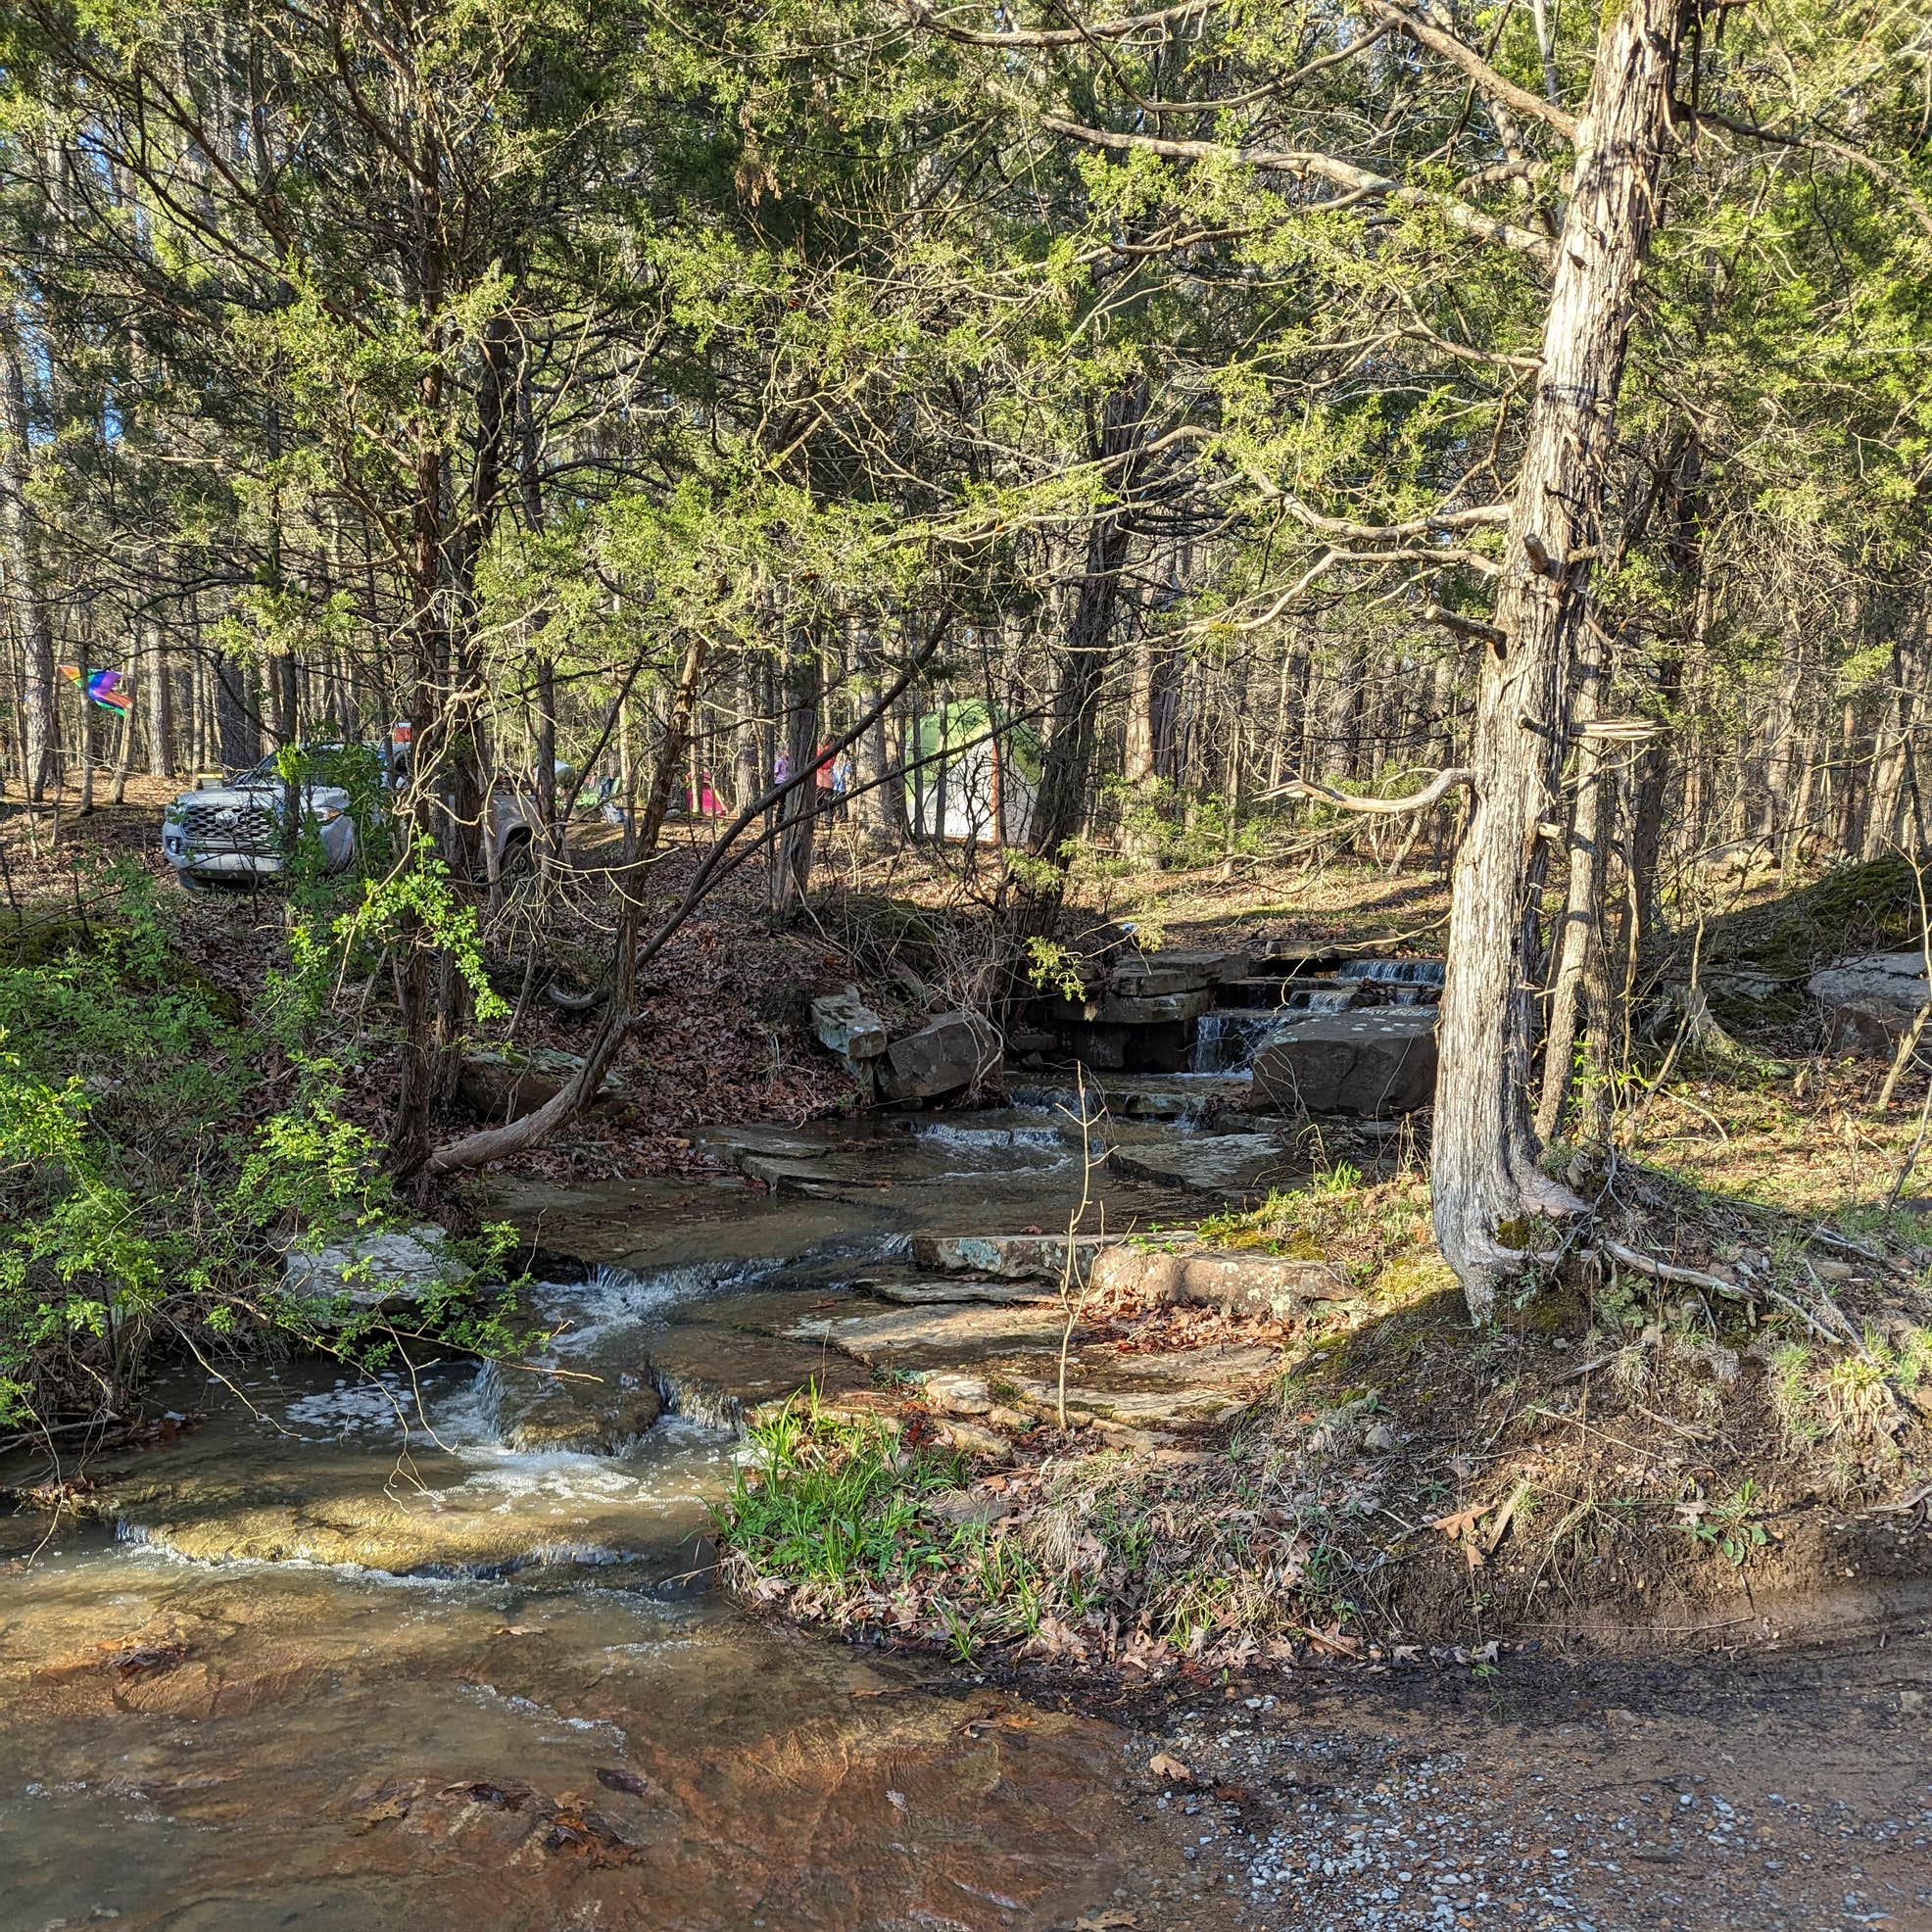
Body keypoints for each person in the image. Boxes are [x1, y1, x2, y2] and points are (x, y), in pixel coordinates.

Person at [831, 749, 853, 824]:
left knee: (840, 801)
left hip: (838, 786)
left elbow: (848, 771)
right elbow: (849, 771)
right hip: (838, 786)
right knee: (840, 801)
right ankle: (841, 815)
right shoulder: (839, 764)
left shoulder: (840, 764)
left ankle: (842, 815)